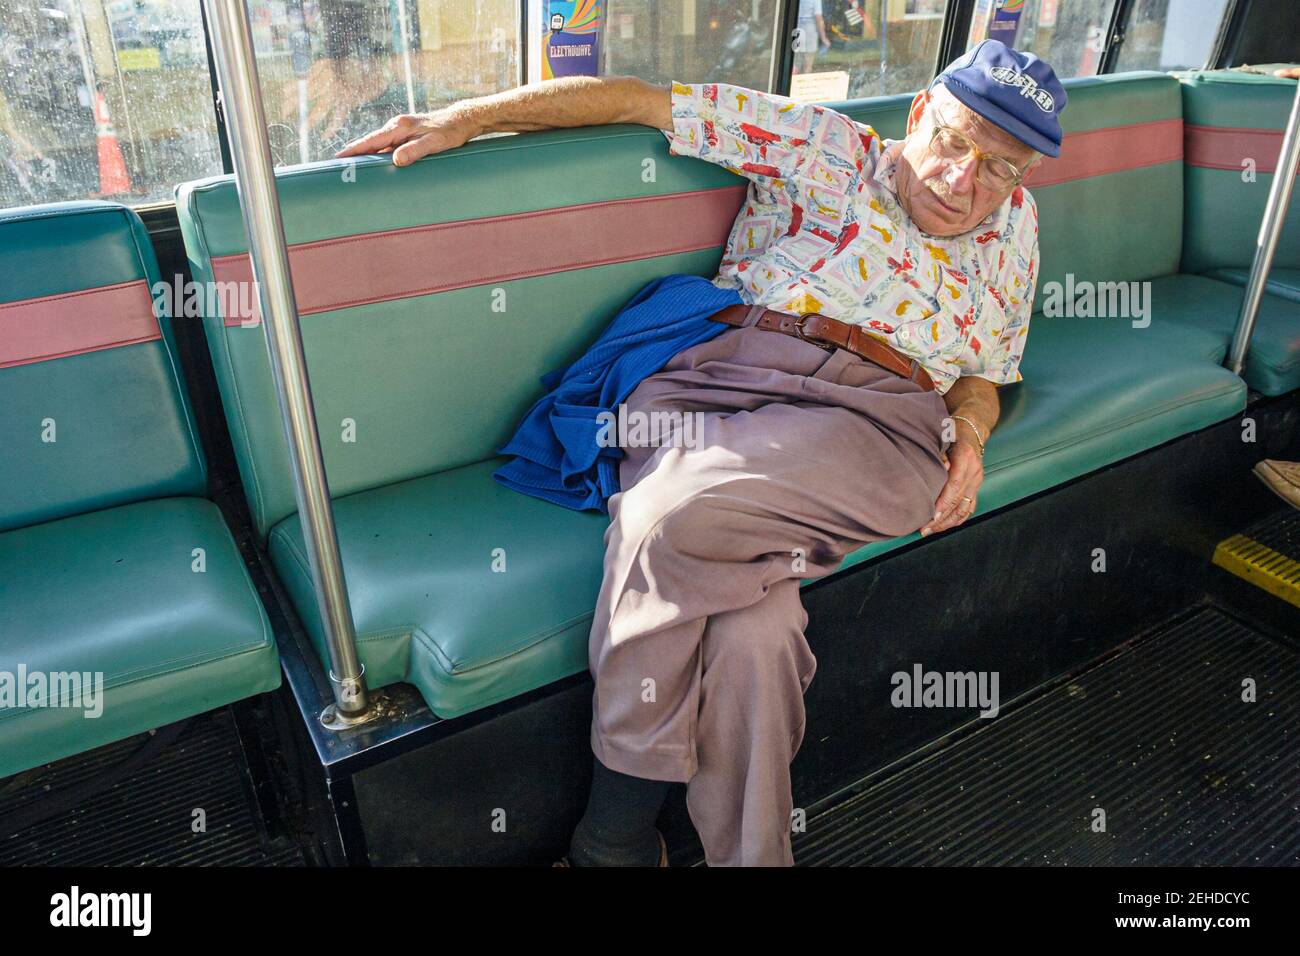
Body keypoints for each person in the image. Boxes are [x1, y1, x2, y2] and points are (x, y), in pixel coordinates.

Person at [338, 39, 1064, 866]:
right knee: (756, 635)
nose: (963, 182)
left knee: (663, 520)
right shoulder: (824, 144)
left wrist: (968, 435)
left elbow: (981, 375)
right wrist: (467, 117)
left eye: (1000, 169)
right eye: (953, 142)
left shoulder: (1015, 232)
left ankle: (610, 840)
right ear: (917, 116)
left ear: (1024, 179)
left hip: (874, 419)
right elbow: (636, 99)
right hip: (712, 376)